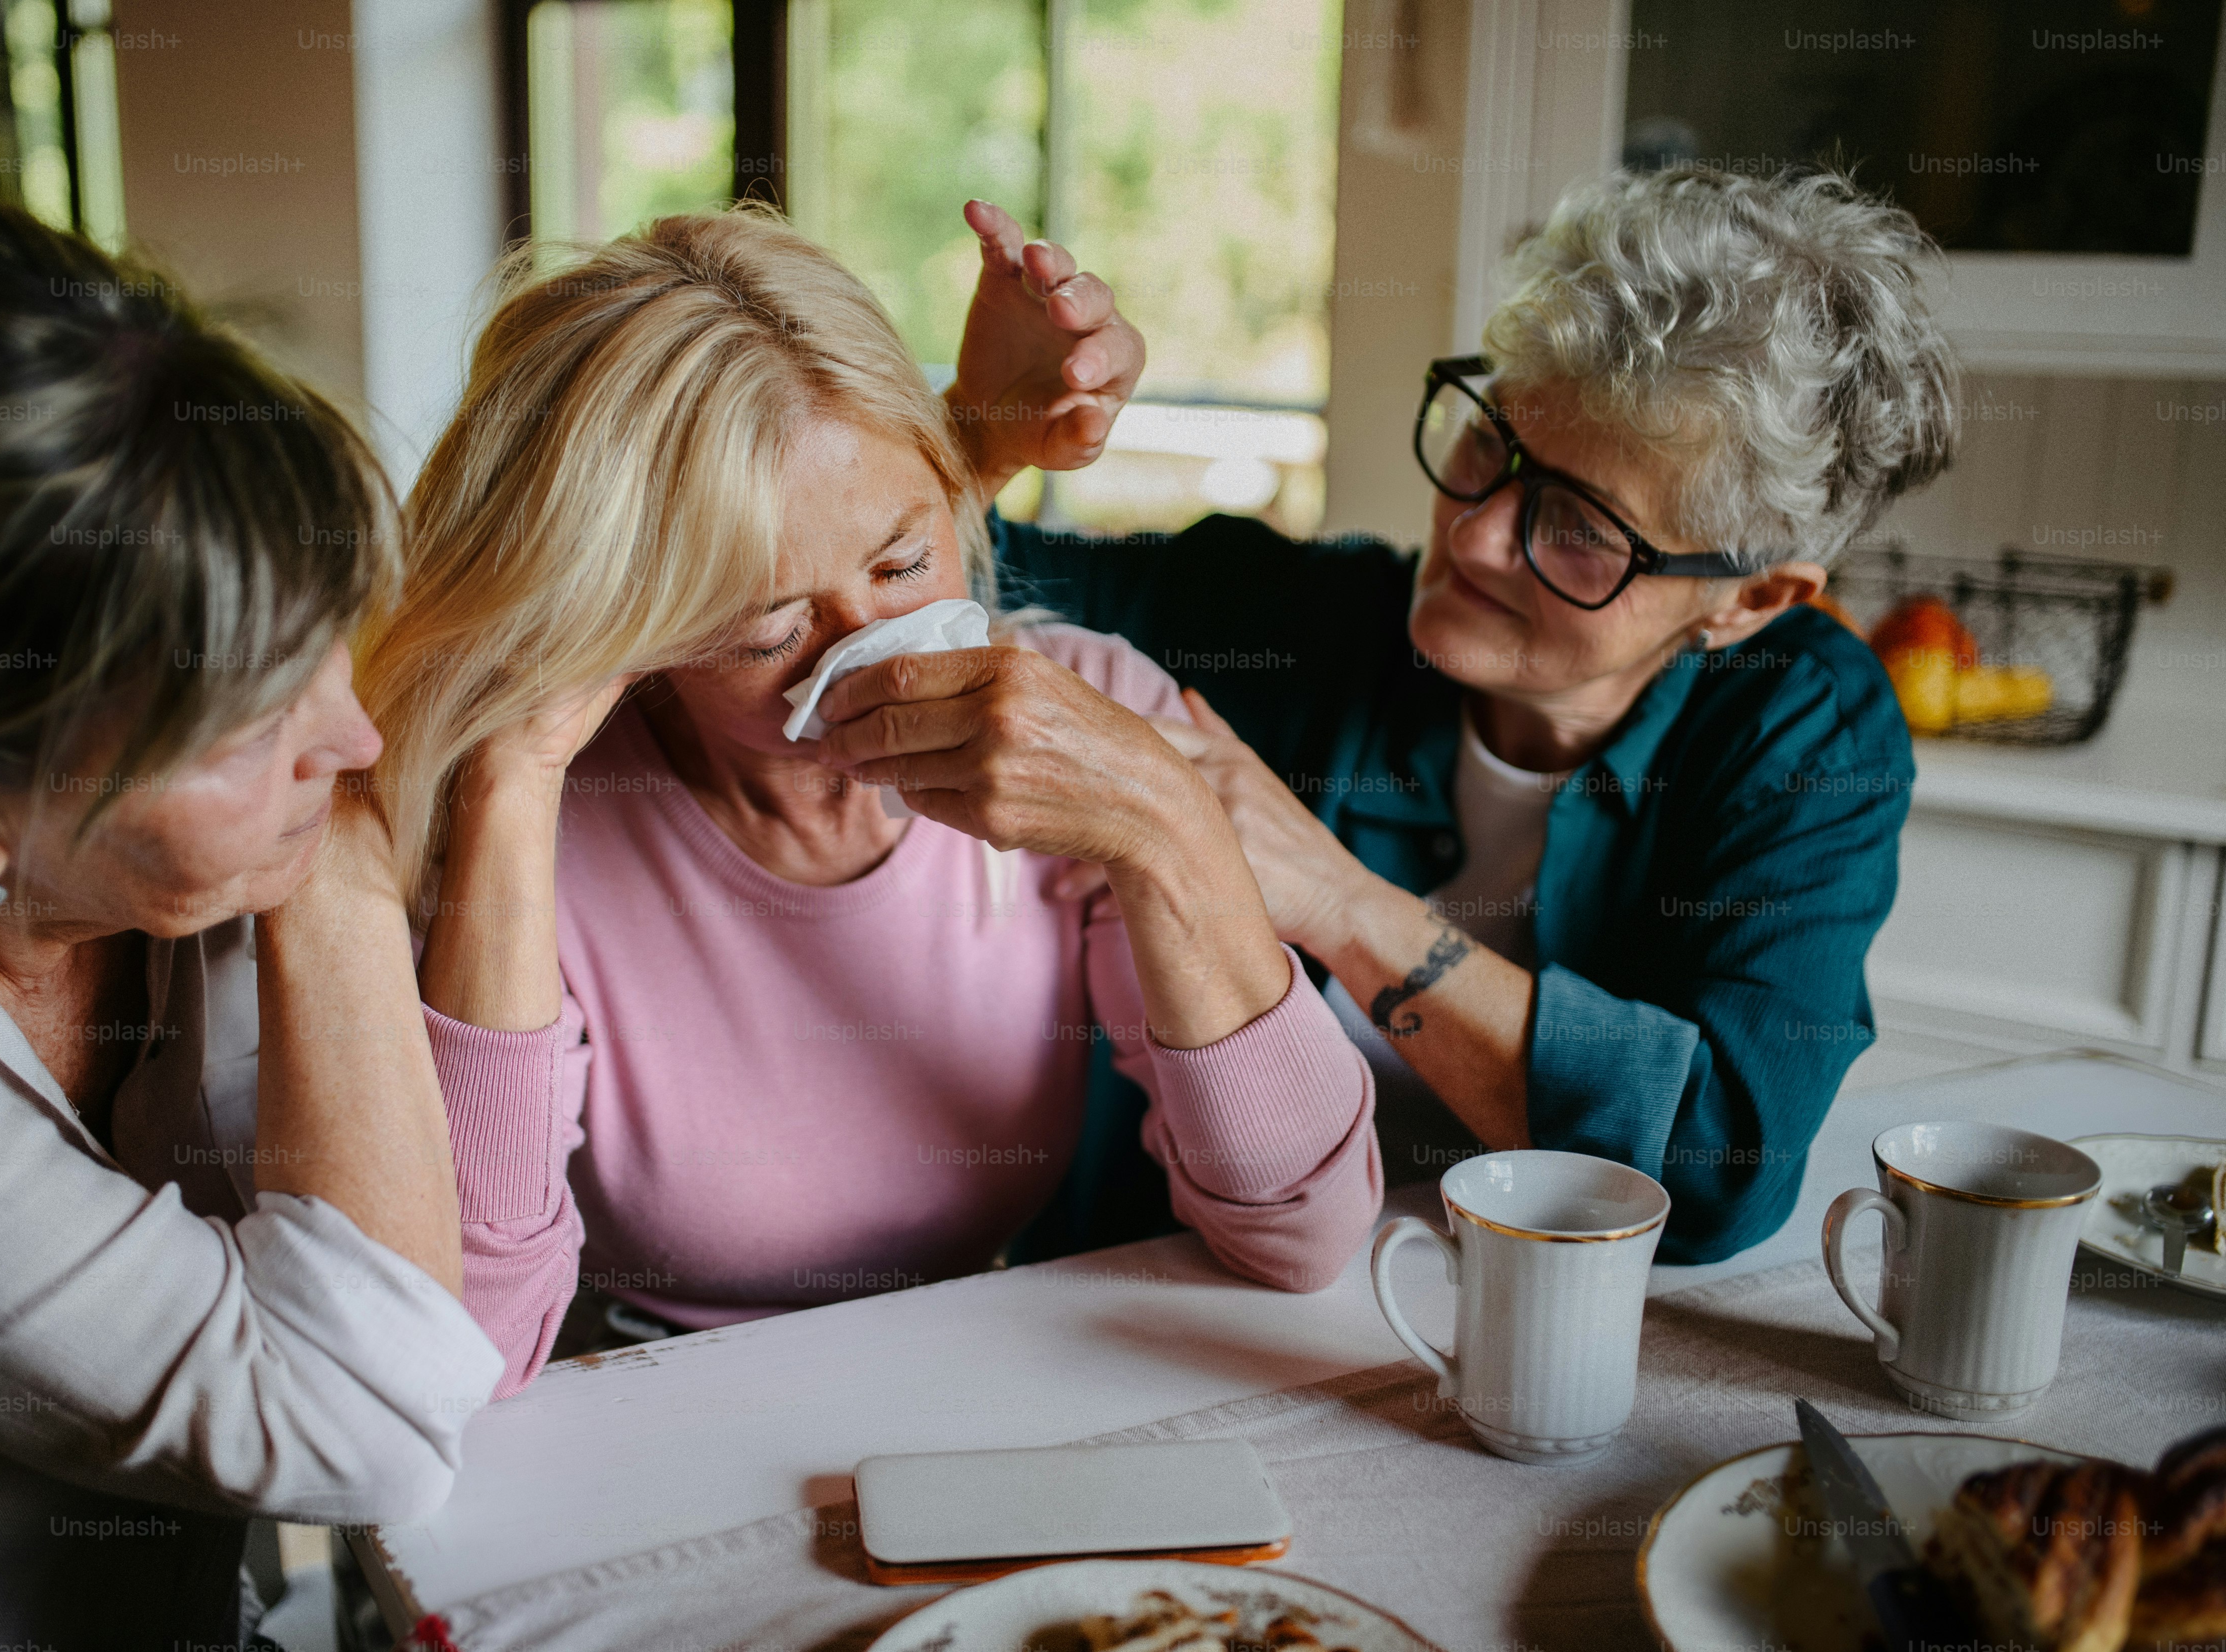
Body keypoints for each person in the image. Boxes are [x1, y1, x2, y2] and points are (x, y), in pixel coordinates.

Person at [357, 207, 1382, 1377]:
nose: (870, 655)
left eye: (902, 564)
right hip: (633, 1410)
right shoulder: (530, 817)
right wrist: (508, 768)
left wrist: (1166, 824)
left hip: (973, 1382)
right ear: (628, 631)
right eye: (766, 630)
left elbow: (1305, 1233)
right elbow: (457, 1348)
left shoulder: (1084, 710)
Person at [0, 179, 503, 1643]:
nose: (354, 744)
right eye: (253, 719)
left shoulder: (167, 840)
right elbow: (372, 1422)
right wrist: (340, 882)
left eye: (328, 638)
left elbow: (494, 1294)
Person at [1000, 165, 1956, 1263]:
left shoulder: (1806, 734)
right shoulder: (1293, 622)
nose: (1474, 537)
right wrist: (977, 436)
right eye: (1486, 444)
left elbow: (1717, 1164)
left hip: (1546, 1329)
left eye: (1583, 528)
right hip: (1160, 1290)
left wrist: (1342, 902)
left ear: (1749, 598)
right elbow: (944, 578)